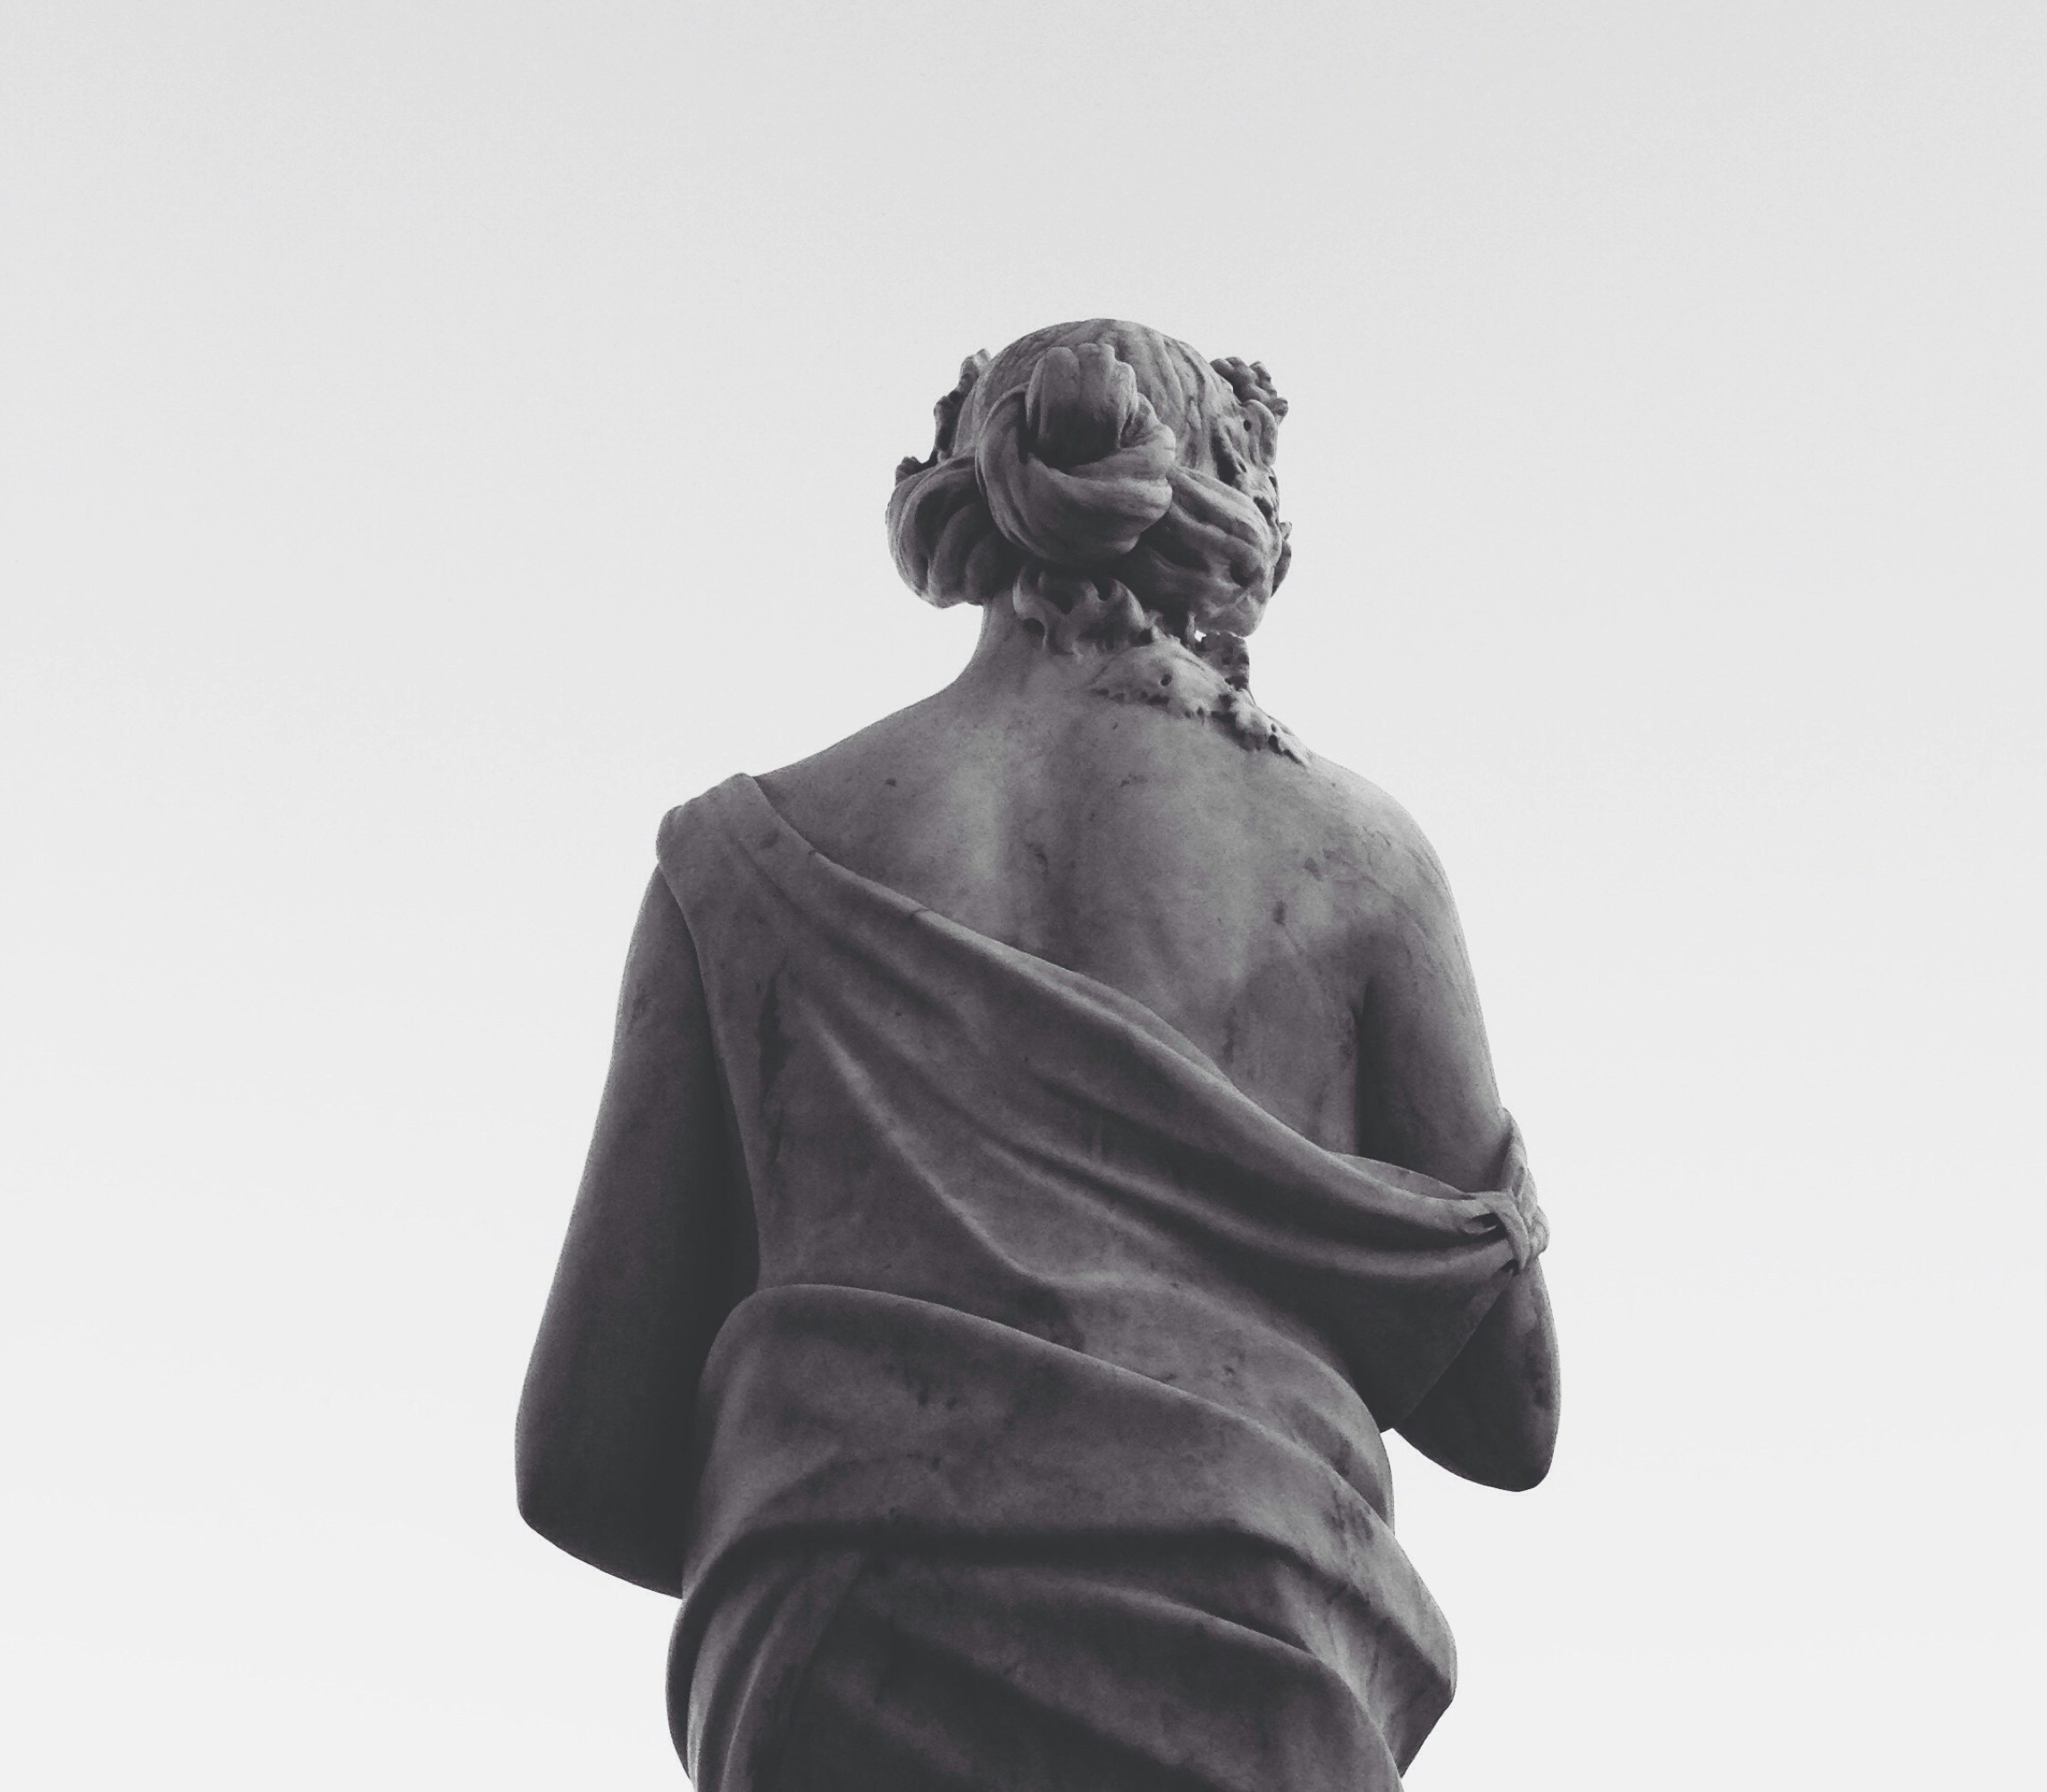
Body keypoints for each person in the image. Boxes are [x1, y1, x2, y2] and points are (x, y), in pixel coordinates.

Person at [518, 321, 1557, 1790]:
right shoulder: (1360, 859)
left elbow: (577, 1458)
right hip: (1243, 1625)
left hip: (832, 1627)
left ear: (963, 502)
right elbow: (1510, 1418)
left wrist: (881, 1472)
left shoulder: (737, 858)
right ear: (1238, 520)